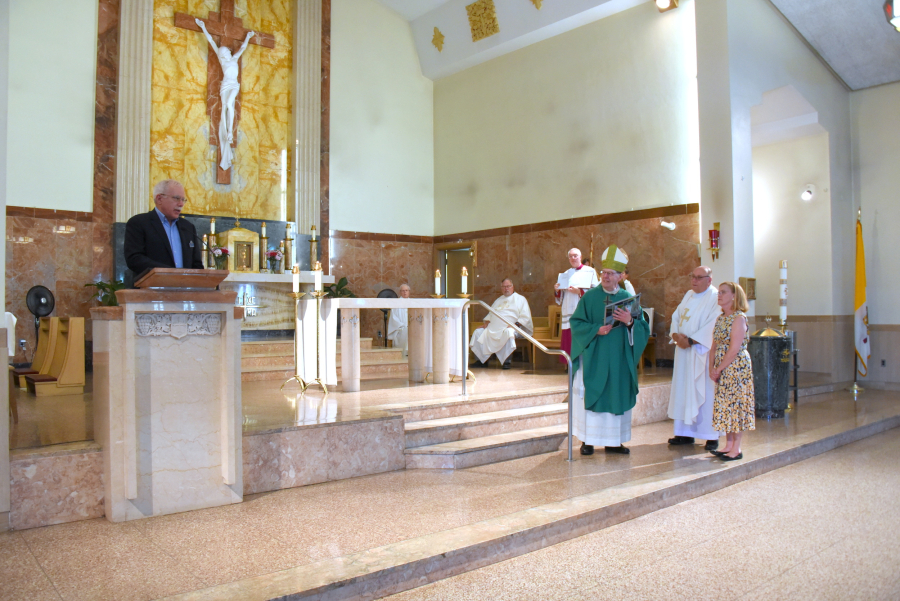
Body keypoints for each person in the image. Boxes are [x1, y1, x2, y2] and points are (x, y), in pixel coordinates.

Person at [570, 246, 649, 455]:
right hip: (595, 356)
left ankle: (614, 442)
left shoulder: (627, 297)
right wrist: (595, 329)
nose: (605, 276)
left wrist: (630, 321)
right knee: (593, 393)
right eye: (603, 272)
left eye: (610, 273)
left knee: (616, 394)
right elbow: (576, 323)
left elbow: (643, 328)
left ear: (620, 276)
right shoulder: (589, 297)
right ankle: (587, 441)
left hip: (619, 358)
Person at [667, 266, 722, 451]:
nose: (694, 280)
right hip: (683, 352)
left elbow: (714, 323)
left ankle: (710, 435)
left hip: (701, 352)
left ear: (709, 280)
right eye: (692, 277)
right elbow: (676, 316)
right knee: (683, 390)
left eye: (699, 277)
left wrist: (691, 340)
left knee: (705, 392)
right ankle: (684, 433)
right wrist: (676, 336)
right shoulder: (689, 295)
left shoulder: (715, 297)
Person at [196, 19, 255, 171]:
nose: (224, 54)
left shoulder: (234, 59)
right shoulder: (222, 62)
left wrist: (248, 37)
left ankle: (229, 132)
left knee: (229, 104)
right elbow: (211, 41)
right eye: (222, 53)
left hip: (234, 85)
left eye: (225, 52)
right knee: (224, 108)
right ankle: (227, 133)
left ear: (228, 53)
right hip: (224, 86)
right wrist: (203, 27)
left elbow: (243, 47)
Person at [709, 282, 755, 461]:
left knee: (736, 404)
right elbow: (714, 346)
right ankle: (728, 444)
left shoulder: (739, 318)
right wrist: (711, 368)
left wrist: (719, 368)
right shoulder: (721, 318)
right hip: (721, 366)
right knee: (725, 405)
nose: (719, 295)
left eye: (723, 292)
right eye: (719, 292)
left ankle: (737, 448)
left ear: (734, 296)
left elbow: (734, 348)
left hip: (736, 367)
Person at [124, 179, 204, 278]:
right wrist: (170, 273)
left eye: (183, 200)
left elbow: (196, 264)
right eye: (176, 198)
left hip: (185, 286)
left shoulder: (188, 227)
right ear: (159, 199)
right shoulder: (139, 223)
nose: (181, 204)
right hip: (153, 286)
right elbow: (134, 259)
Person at [469, 279, 533, 369]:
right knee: (478, 332)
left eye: (508, 286)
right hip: (494, 328)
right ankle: (482, 361)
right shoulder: (498, 300)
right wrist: (486, 323)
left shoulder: (520, 299)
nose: (506, 288)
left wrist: (515, 325)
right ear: (501, 288)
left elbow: (525, 317)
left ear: (513, 287)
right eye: (504, 287)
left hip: (513, 327)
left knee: (508, 332)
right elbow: (490, 314)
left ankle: (506, 361)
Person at [554, 248, 598, 364]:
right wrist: (557, 290)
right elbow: (560, 296)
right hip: (568, 310)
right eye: (571, 256)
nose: (573, 258)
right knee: (570, 339)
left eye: (575, 256)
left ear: (580, 257)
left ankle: (585, 363)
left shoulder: (590, 271)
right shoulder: (565, 274)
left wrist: (579, 291)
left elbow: (595, 291)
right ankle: (571, 365)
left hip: (583, 311)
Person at [387, 284, 410, 356]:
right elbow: (394, 319)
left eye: (406, 290)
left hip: (411, 327)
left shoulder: (413, 303)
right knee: (406, 331)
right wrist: (403, 326)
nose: (405, 292)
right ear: (400, 292)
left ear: (409, 292)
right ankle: (405, 355)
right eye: (403, 291)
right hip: (400, 329)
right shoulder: (396, 304)